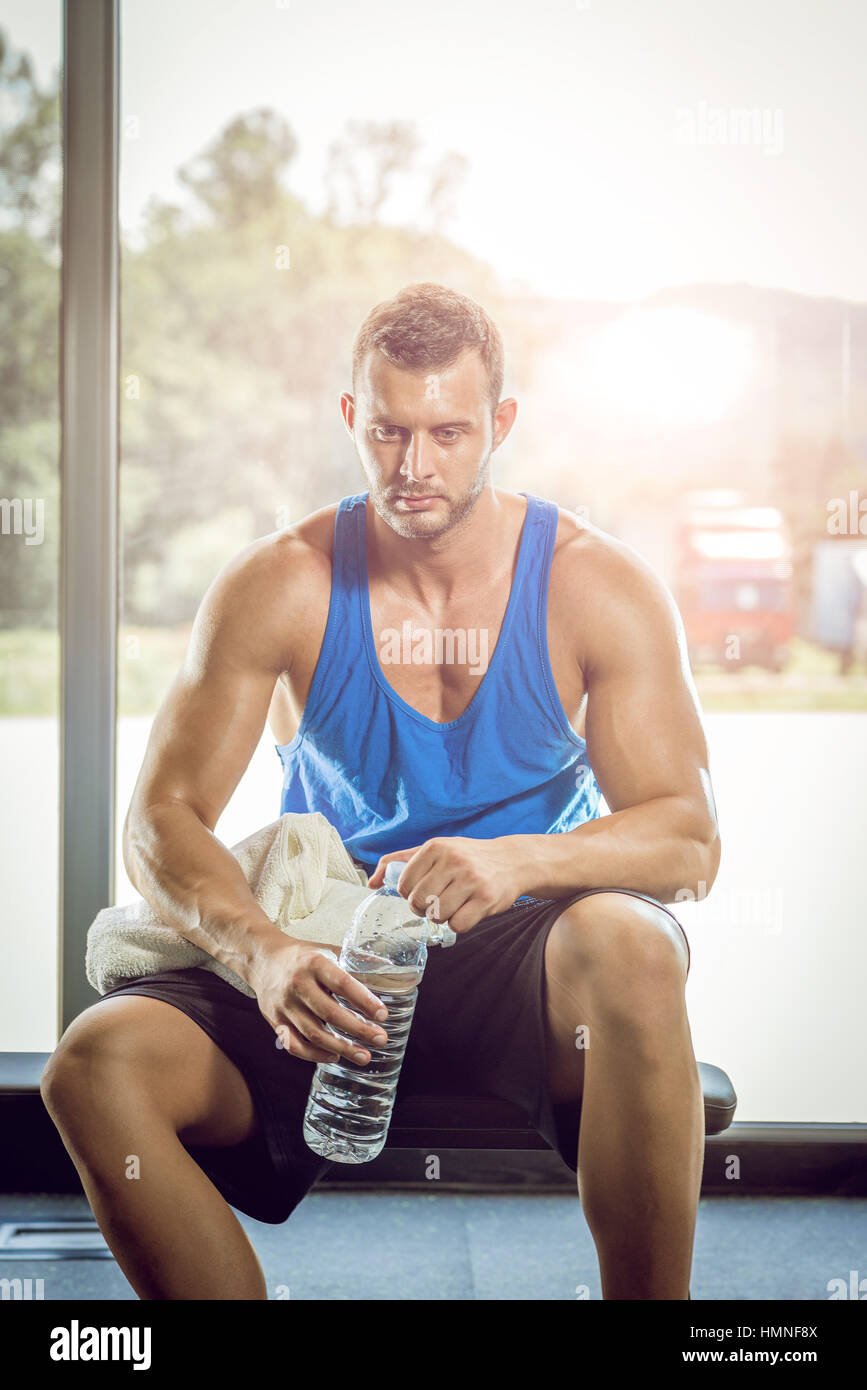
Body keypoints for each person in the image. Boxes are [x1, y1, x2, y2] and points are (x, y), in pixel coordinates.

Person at [41, 282, 720, 1301]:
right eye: (391, 431)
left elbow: (689, 841)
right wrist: (262, 953)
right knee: (93, 1067)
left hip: (526, 957)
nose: (415, 467)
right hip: (331, 947)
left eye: (448, 432)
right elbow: (160, 817)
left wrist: (517, 859)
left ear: (500, 424)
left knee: (627, 941)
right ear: (354, 418)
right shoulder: (282, 582)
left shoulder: (593, 584)